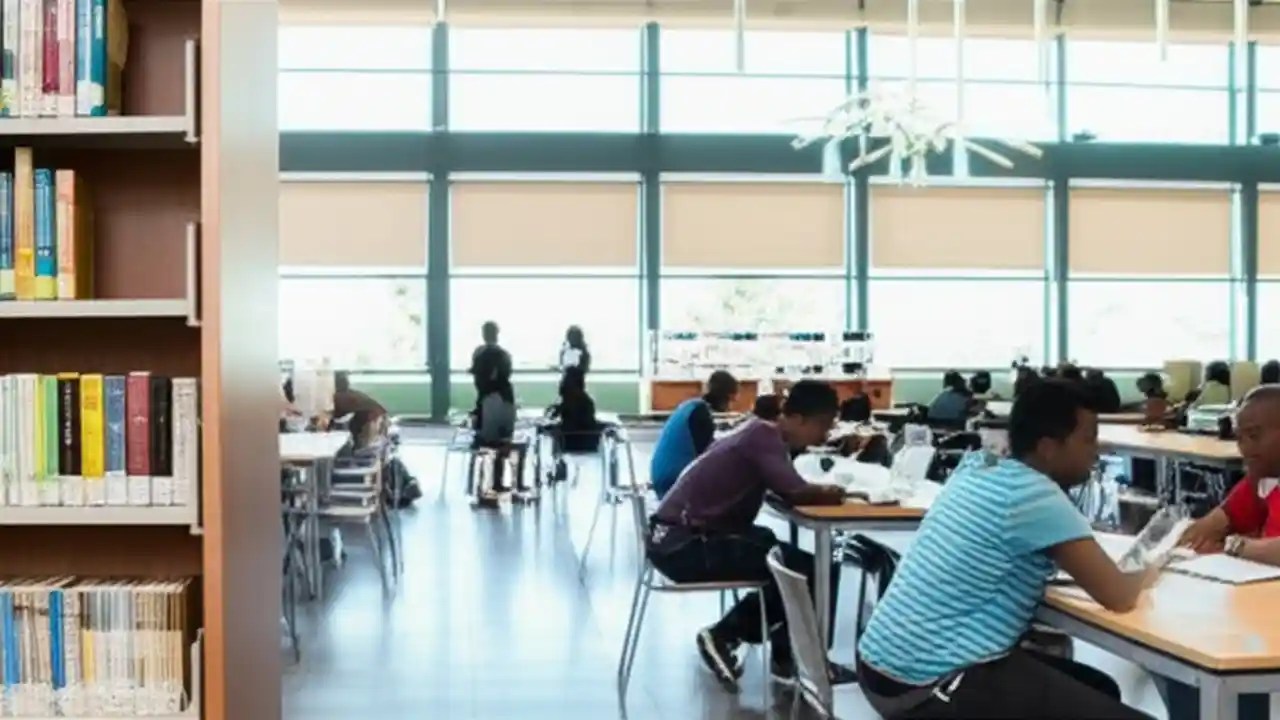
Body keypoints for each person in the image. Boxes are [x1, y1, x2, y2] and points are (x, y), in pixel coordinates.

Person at [857, 380, 1157, 719]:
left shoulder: (979, 469)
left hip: (882, 668)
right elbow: (1118, 595)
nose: (1096, 450)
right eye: (1088, 439)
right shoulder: (1035, 495)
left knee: (1098, 688)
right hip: (934, 687)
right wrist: (1156, 568)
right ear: (1048, 447)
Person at [649, 380, 847, 689]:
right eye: (821, 426)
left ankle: (786, 658)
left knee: (781, 554)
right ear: (796, 418)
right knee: (807, 570)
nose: (823, 436)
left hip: (674, 539)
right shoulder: (763, 436)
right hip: (687, 547)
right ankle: (727, 636)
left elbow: (786, 485)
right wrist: (838, 492)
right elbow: (795, 491)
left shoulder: (756, 431)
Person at [1159, 385, 1280, 720]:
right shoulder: (1263, 477)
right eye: (1240, 437)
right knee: (1180, 650)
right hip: (1264, 608)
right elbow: (1210, 524)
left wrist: (1234, 546)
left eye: (1255, 436)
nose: (1245, 448)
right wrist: (1172, 542)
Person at [649, 370, 739, 499]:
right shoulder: (700, 413)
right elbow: (707, 456)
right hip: (674, 482)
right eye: (732, 399)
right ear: (725, 396)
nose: (731, 405)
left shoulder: (691, 406)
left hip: (662, 476)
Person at [470, 321, 518, 499]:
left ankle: (481, 483)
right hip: (505, 401)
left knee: (485, 442)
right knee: (503, 442)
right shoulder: (504, 355)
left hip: (487, 403)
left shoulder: (479, 354)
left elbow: (478, 380)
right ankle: (498, 481)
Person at [548, 367, 600, 455]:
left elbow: (575, 425)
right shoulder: (576, 399)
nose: (561, 382)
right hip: (579, 441)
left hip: (576, 443)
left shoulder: (578, 401)